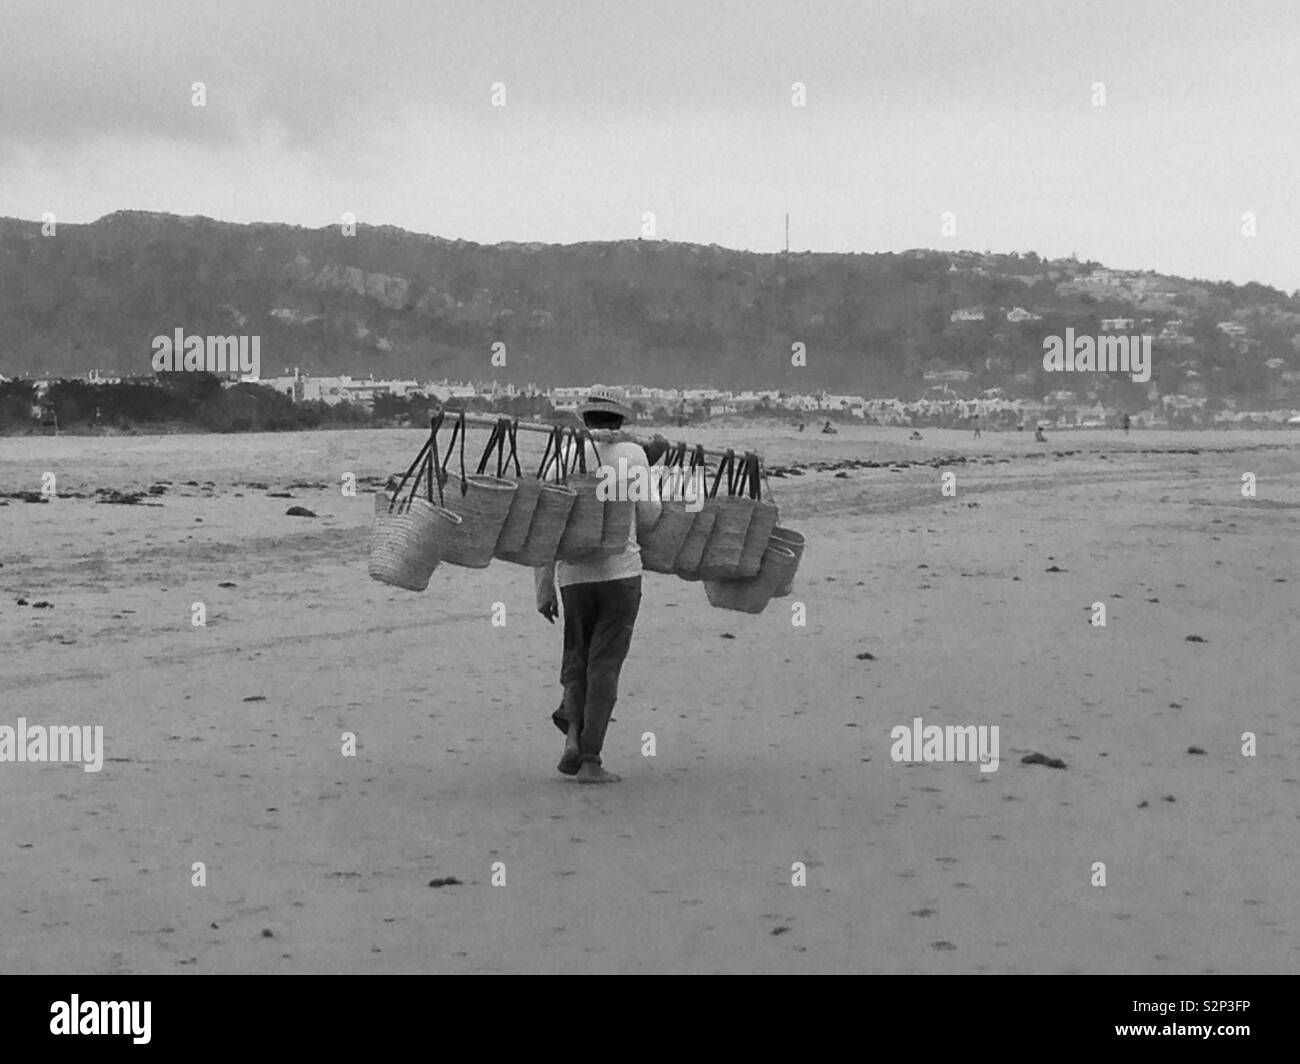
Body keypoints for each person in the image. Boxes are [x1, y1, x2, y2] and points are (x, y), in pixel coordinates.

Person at [535, 386, 663, 784]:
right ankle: (590, 759)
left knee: (577, 658)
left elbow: (546, 523)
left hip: (573, 577)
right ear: (620, 421)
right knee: (604, 665)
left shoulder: (563, 455)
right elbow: (650, 514)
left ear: (585, 420)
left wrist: (543, 587)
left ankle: (572, 734)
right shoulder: (633, 455)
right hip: (621, 574)